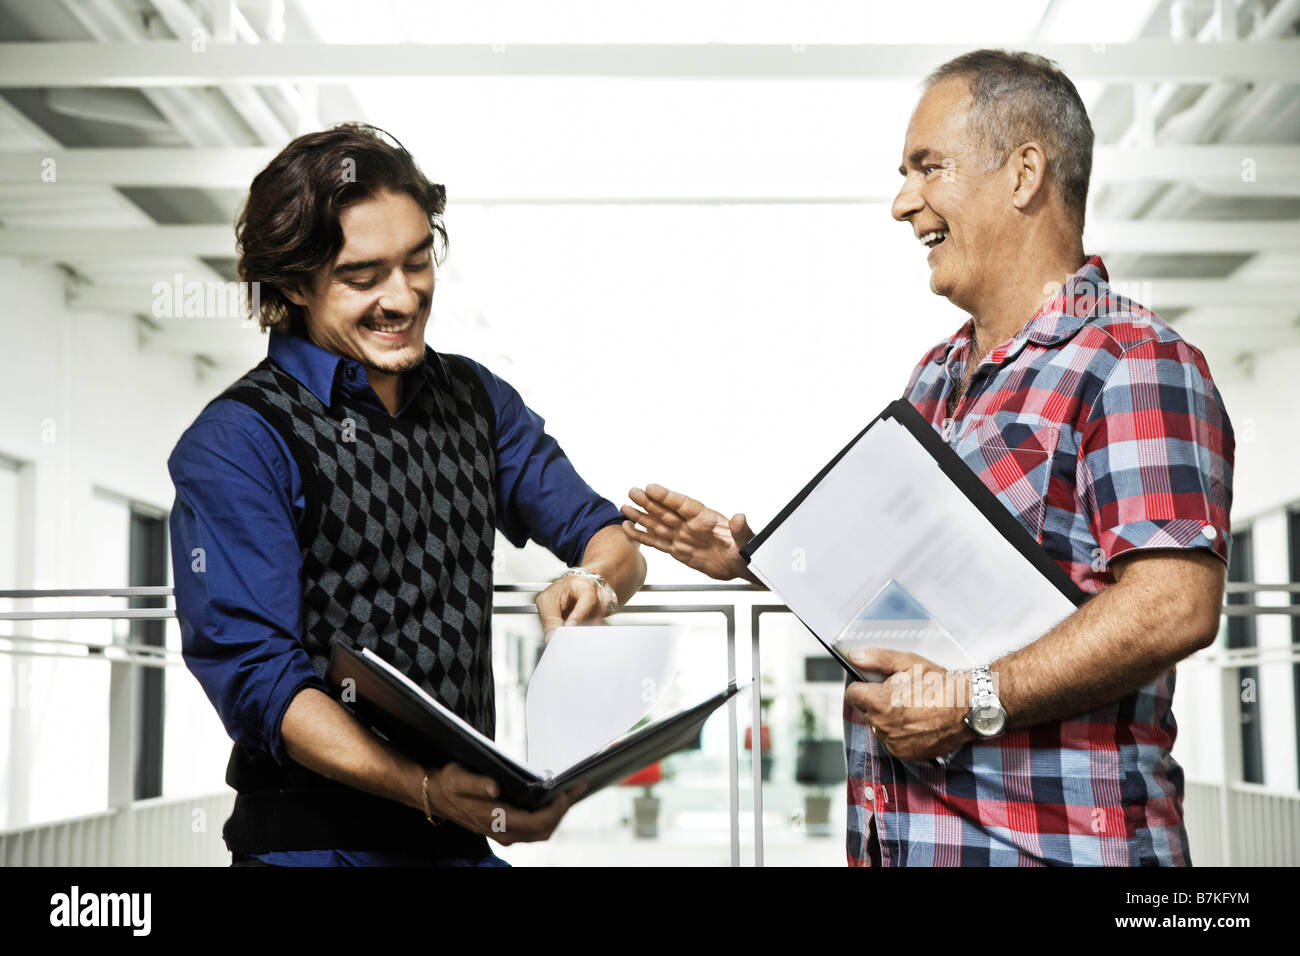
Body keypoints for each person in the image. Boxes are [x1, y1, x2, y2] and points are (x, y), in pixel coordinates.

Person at [621, 50, 1233, 867]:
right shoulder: (938, 378)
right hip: (904, 840)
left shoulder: (1135, 361)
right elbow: (906, 591)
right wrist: (757, 561)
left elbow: (1173, 604)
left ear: (1023, 174)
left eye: (927, 167)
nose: (903, 202)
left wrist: (973, 700)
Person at [168, 123, 646, 866]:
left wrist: (593, 581)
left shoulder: (477, 401)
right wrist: (423, 787)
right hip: (315, 850)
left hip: (457, 839)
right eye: (363, 276)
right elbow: (261, 681)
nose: (404, 297)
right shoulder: (238, 442)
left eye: (417, 261)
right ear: (293, 284)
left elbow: (610, 537)